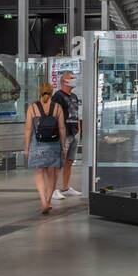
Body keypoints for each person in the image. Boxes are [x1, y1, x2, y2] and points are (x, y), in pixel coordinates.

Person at [24, 83, 66, 214]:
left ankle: (43, 201)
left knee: (39, 173)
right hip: (53, 143)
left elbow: (28, 128)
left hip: (37, 144)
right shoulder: (57, 107)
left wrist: (26, 147)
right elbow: (62, 128)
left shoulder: (33, 107)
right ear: (51, 92)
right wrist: (63, 145)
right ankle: (48, 200)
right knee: (52, 173)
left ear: (39, 91)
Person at [51, 70, 83, 200]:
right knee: (59, 162)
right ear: (64, 81)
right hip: (63, 133)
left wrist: (79, 129)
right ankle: (52, 190)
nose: (74, 80)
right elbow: (54, 114)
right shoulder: (58, 96)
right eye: (71, 78)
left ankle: (65, 187)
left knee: (70, 161)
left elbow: (76, 113)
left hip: (74, 132)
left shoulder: (74, 96)